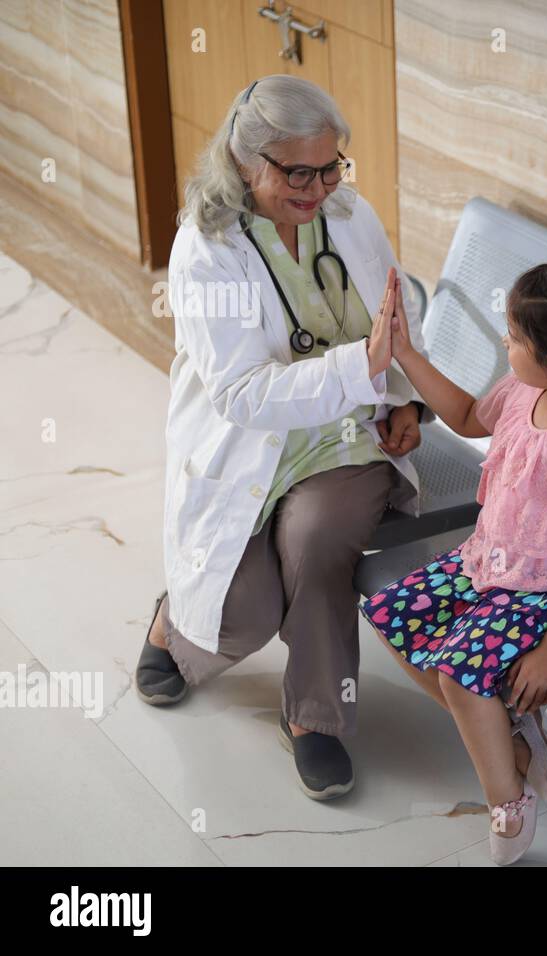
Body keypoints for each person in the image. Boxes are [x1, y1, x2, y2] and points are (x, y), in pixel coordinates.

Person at [136, 75, 432, 801]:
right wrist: (355, 369)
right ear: (245, 161)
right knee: (244, 611)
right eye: (297, 171)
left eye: (331, 166)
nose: (319, 186)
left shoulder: (349, 215)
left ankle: (316, 720)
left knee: (319, 541)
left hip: (347, 438)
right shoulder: (207, 249)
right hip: (250, 443)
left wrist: (407, 400)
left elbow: (396, 318)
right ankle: (174, 625)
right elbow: (239, 394)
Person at [359, 262, 547, 863]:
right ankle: (514, 737)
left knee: (458, 672)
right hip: (493, 565)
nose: (506, 342)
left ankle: (509, 798)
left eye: (516, 337)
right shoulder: (528, 388)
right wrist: (405, 353)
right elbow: (472, 417)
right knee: (391, 613)